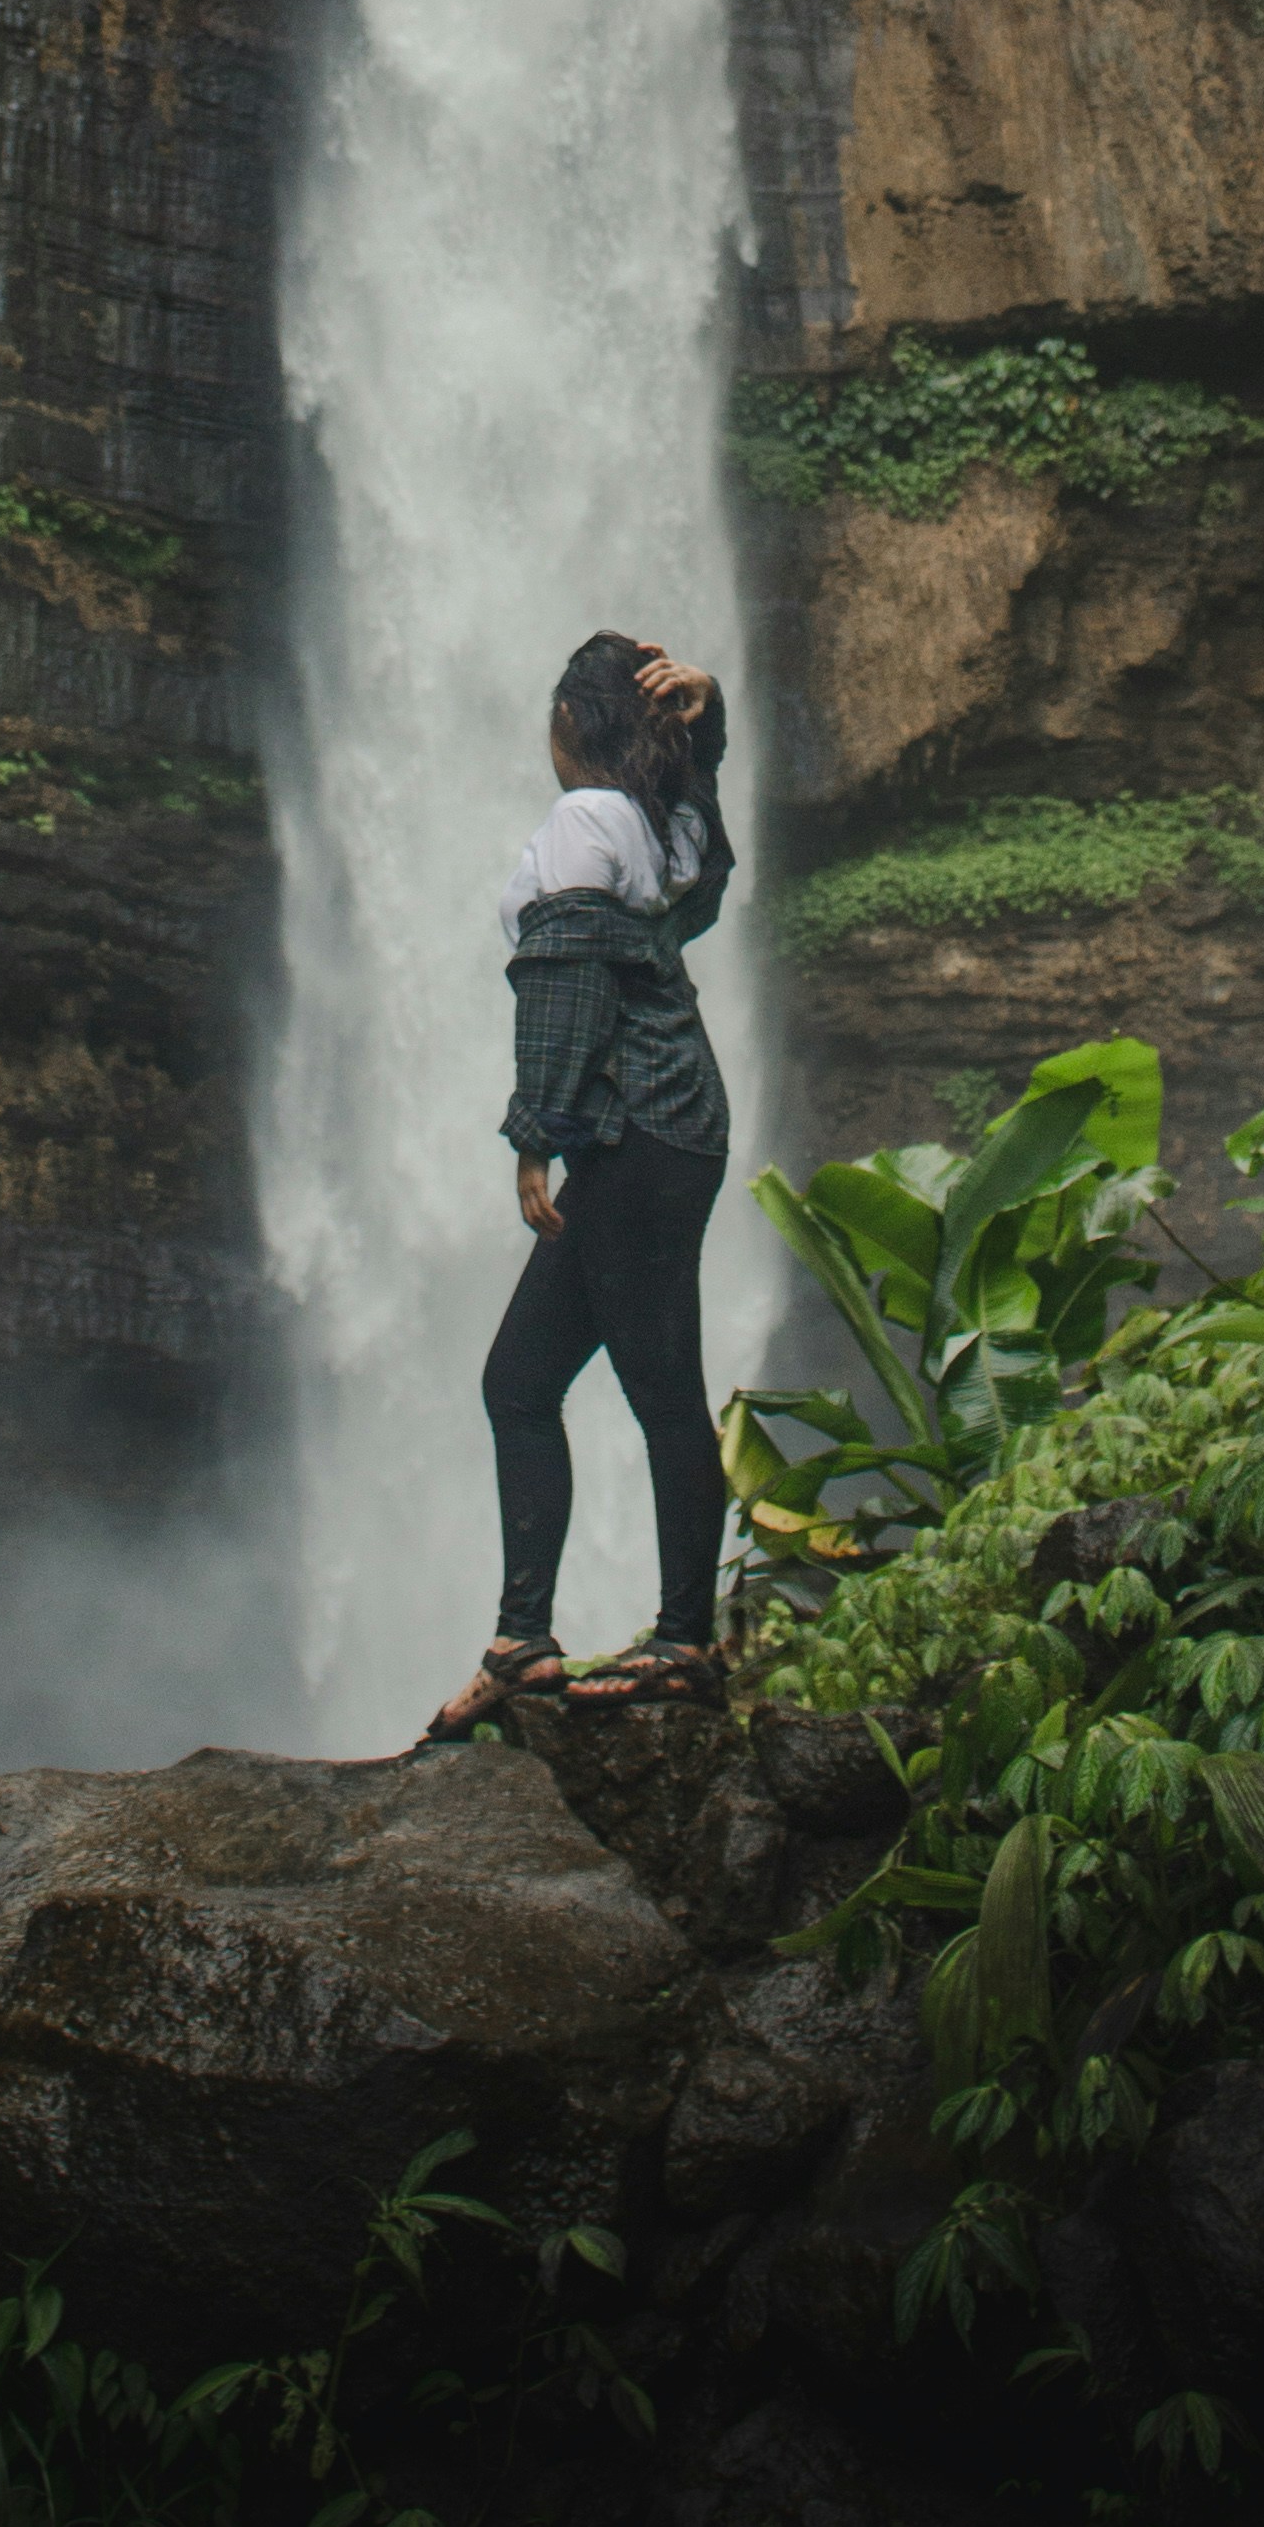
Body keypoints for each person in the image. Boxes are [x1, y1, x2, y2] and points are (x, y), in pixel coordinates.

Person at [426, 626, 735, 1736]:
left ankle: (684, 1643)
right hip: (671, 1128)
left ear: (575, 727)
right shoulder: (660, 825)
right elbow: (713, 870)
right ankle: (527, 1644)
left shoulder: (584, 820)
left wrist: (534, 1138)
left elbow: (564, 987)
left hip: (630, 1131)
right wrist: (708, 727)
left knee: (653, 1386)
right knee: (521, 1381)